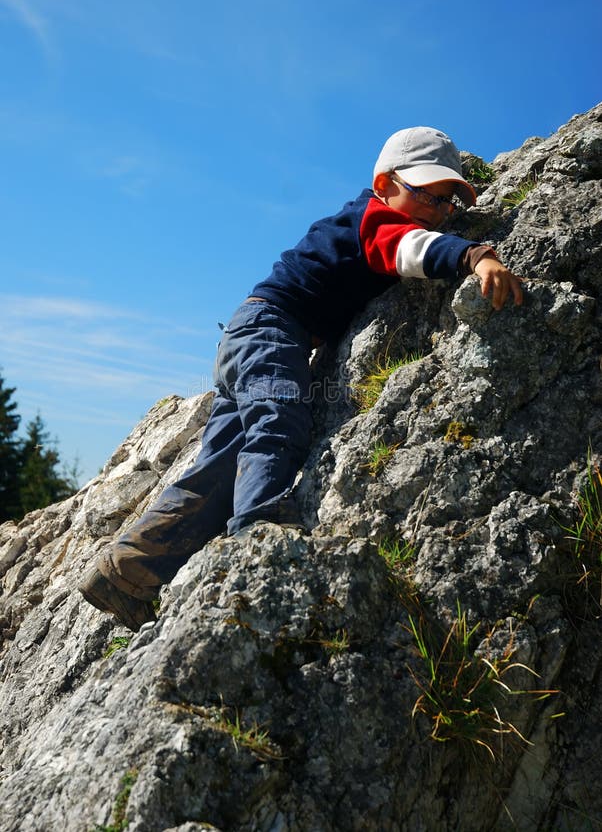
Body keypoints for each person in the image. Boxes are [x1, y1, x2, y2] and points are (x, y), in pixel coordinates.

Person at [79, 126, 523, 631]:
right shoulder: (373, 219)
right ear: (385, 183)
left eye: (448, 205)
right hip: (271, 333)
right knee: (280, 422)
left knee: (223, 466)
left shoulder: (372, 216)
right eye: (428, 195)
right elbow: (412, 248)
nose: (438, 212)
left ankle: (125, 572)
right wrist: (474, 254)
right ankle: (258, 538)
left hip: (251, 336)